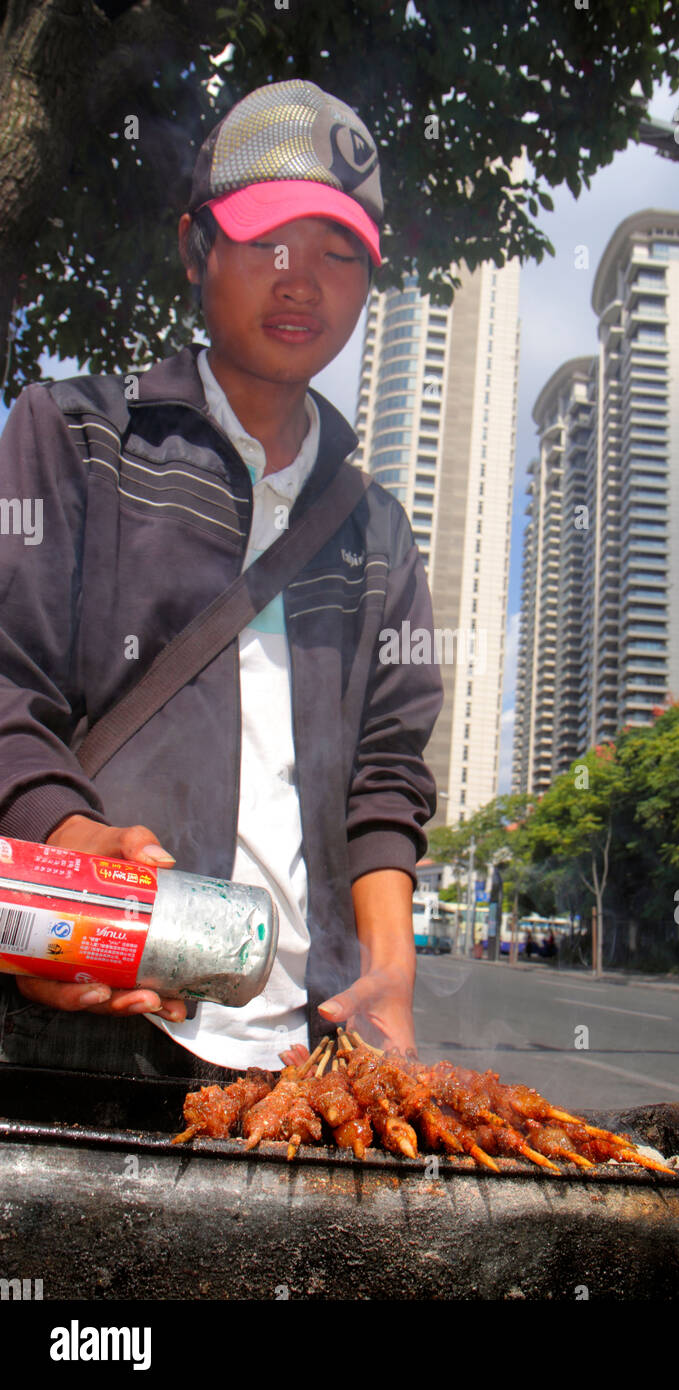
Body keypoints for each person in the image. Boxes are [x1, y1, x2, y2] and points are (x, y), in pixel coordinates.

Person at [0, 79, 442, 1079]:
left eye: (339, 254)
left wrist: (387, 968)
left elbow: (386, 772)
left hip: (307, 1058)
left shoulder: (376, 530)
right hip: (84, 1024)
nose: (302, 281)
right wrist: (68, 851)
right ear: (197, 248)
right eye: (266, 242)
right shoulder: (77, 439)